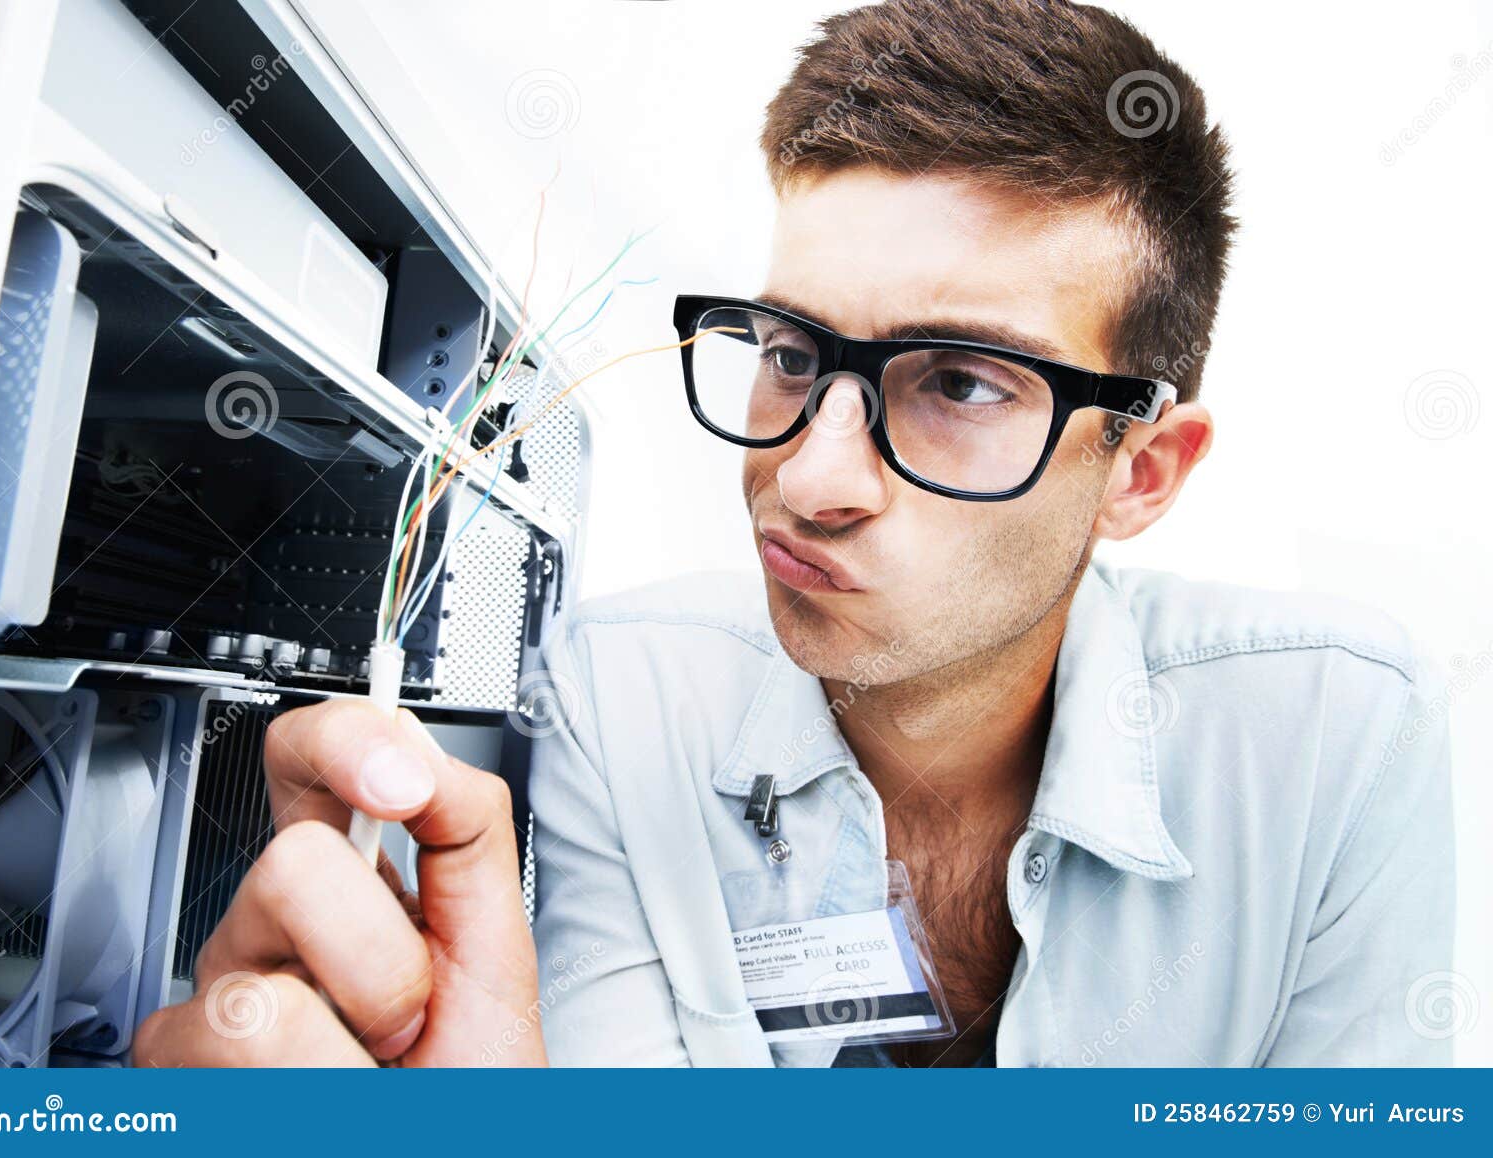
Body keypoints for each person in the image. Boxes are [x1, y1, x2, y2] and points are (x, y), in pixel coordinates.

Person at [134, 0, 1454, 1068]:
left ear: (1141, 470)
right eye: (788, 352)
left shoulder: (1334, 735)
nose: (809, 480)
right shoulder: (624, 697)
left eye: (960, 384)